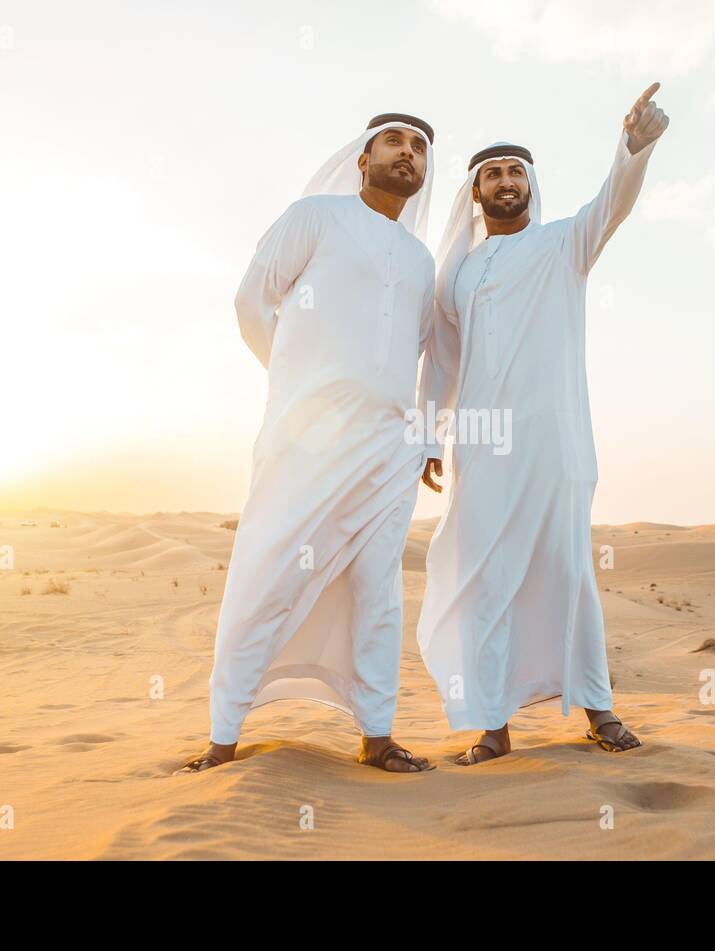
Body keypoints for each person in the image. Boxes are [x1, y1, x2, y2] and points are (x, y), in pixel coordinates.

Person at [178, 113, 442, 774]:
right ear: (363, 157)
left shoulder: (419, 259)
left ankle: (377, 733)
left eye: (418, 148)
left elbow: (419, 353)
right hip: (306, 441)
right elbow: (250, 301)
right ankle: (224, 733)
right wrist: (297, 386)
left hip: (388, 449)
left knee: (377, 590)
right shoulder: (315, 216)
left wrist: (423, 437)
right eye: (394, 142)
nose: (407, 154)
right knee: (265, 571)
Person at [417, 85, 668, 764]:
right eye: (492, 173)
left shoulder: (565, 245)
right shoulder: (459, 276)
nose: (505, 181)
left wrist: (633, 145)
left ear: (530, 185)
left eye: (515, 171)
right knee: (489, 577)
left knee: (568, 569)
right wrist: (425, 437)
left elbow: (611, 203)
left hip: (555, 443)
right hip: (480, 450)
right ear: (477, 192)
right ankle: (493, 724)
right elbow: (441, 359)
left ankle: (600, 708)